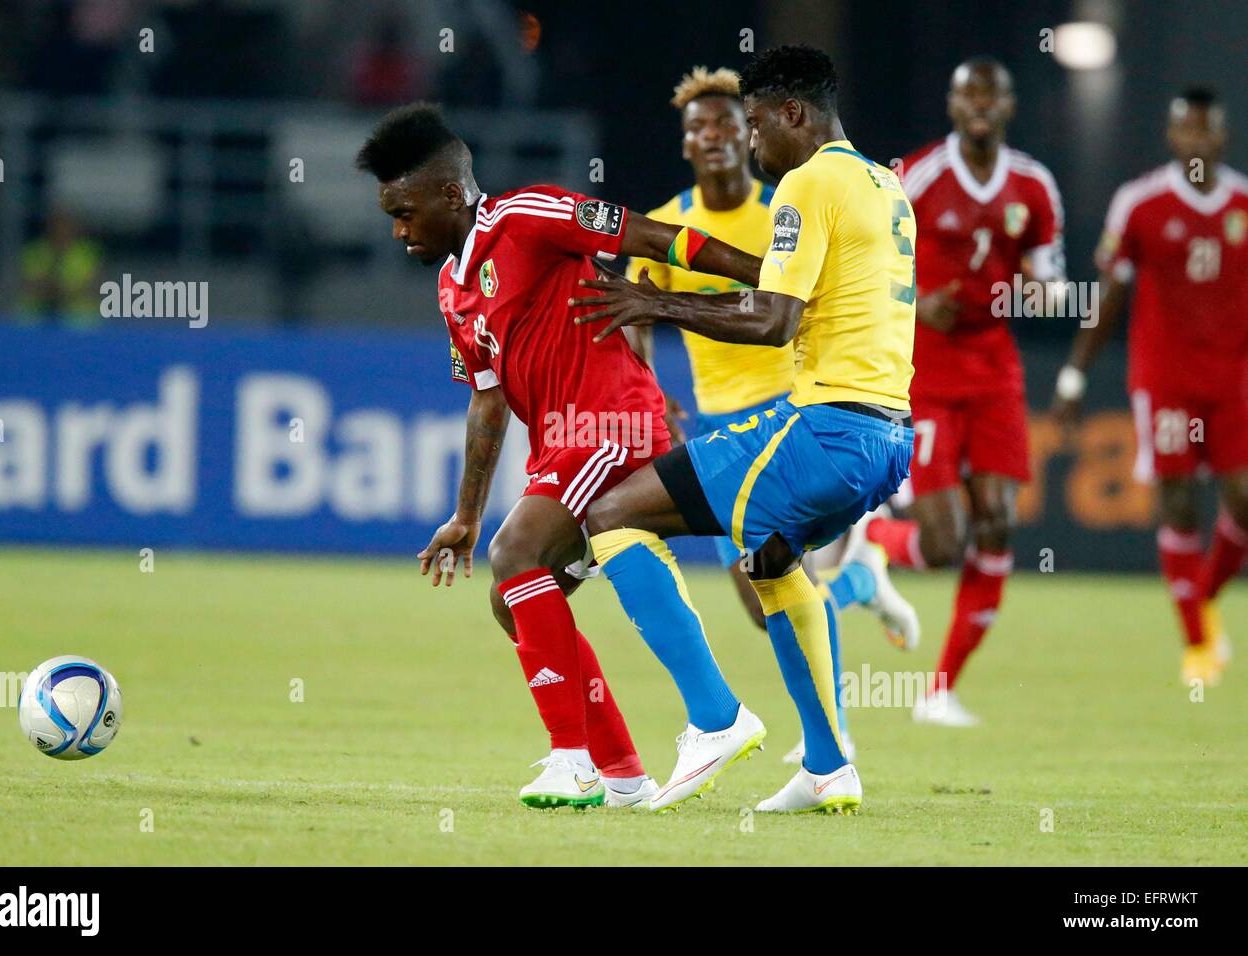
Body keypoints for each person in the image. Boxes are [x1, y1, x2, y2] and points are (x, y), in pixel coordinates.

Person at [355, 102, 763, 808]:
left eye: (406, 211)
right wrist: (465, 516)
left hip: (616, 425)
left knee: (519, 555)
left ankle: (570, 758)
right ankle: (623, 774)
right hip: (565, 445)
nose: (398, 229)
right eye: (391, 214)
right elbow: (487, 402)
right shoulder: (453, 289)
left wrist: (768, 275)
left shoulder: (528, 215)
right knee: (512, 601)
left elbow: (655, 237)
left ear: (451, 193)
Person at [572, 45, 916, 814]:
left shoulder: (807, 182)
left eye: (757, 124)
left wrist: (658, 304)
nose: (755, 143)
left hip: (821, 426)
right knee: (768, 564)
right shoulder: (885, 183)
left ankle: (715, 718)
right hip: (888, 435)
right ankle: (829, 765)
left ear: (793, 113)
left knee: (610, 514)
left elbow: (771, 319)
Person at [853, 58, 1065, 726]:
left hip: (994, 368)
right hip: (926, 373)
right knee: (944, 545)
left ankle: (940, 689)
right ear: (952, 105)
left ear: (1007, 106)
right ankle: (871, 543)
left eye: (991, 95)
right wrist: (916, 307)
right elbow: (862, 261)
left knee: (999, 519)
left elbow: (1047, 271)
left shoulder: (1033, 185)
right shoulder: (915, 175)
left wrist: (1046, 291)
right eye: (968, 94)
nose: (980, 105)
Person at [1053, 88, 1248, 686]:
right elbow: (1110, 296)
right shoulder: (1139, 204)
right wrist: (1073, 373)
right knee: (1180, 500)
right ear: (1172, 137)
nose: (1196, 141)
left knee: (1243, 500)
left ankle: (1202, 599)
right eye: (1185, 130)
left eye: (1205, 131)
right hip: (1165, 381)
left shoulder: (1243, 202)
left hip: (1232, 378)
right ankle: (1195, 643)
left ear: (1221, 136)